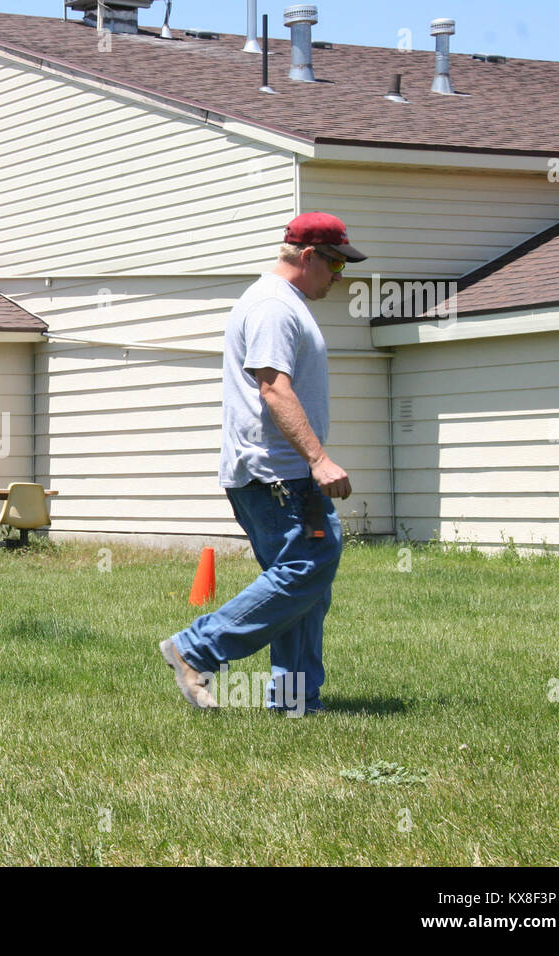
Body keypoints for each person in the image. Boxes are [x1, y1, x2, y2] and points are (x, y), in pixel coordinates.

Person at [159, 212, 366, 715]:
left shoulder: (282, 303)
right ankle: (196, 649)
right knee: (305, 568)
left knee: (304, 588)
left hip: (281, 473)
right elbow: (273, 387)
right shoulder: (274, 306)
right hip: (279, 474)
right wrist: (317, 459)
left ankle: (296, 702)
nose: (339, 276)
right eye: (335, 264)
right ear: (309, 256)